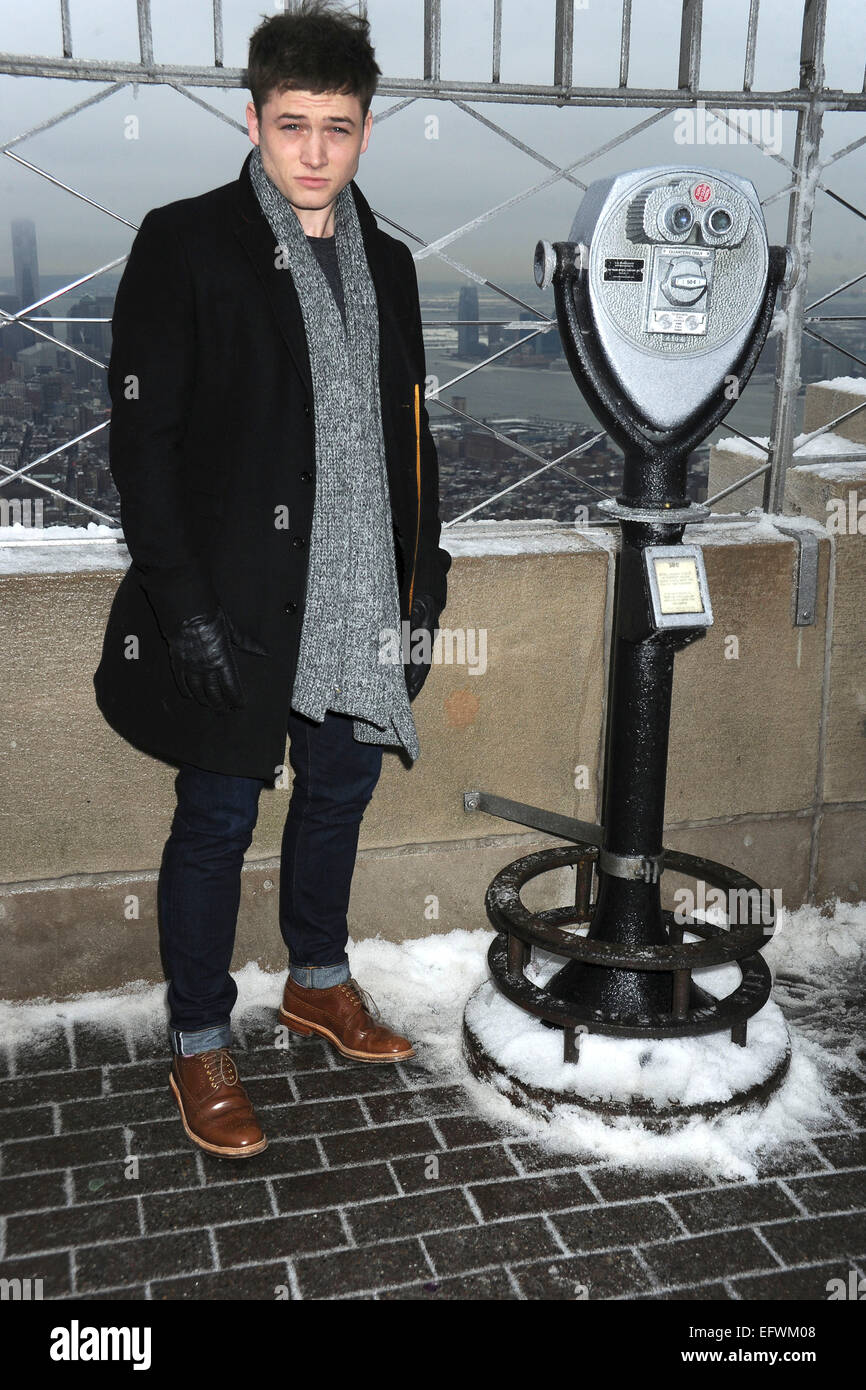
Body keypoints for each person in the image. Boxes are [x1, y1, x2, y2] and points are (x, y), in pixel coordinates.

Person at [93, 0, 450, 1159]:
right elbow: (140, 444)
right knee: (216, 815)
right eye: (289, 124)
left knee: (339, 791)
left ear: (362, 134)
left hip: (353, 594)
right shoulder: (186, 240)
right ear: (251, 120)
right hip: (236, 599)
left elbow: (411, 436)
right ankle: (198, 1037)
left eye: (335, 128)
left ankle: (317, 979)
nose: (310, 151)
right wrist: (183, 606)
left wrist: (424, 583)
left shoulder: (388, 261)